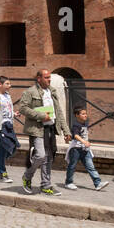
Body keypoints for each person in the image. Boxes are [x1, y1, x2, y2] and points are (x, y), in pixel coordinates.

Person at [17, 68, 71, 196]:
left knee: (49, 158)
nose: (49, 80)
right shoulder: (30, 92)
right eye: (46, 78)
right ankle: (27, 176)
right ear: (39, 78)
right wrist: (41, 116)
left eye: (49, 78)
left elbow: (59, 112)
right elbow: (23, 108)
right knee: (40, 155)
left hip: (51, 128)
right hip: (37, 129)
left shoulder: (52, 91)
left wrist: (66, 131)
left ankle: (46, 185)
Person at [64, 106, 106, 191]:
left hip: (85, 150)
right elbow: (75, 135)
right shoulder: (76, 125)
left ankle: (98, 183)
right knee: (72, 166)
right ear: (77, 115)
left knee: (90, 166)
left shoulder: (85, 124)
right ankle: (68, 182)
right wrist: (84, 142)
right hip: (76, 149)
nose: (85, 115)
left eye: (86, 113)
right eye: (83, 114)